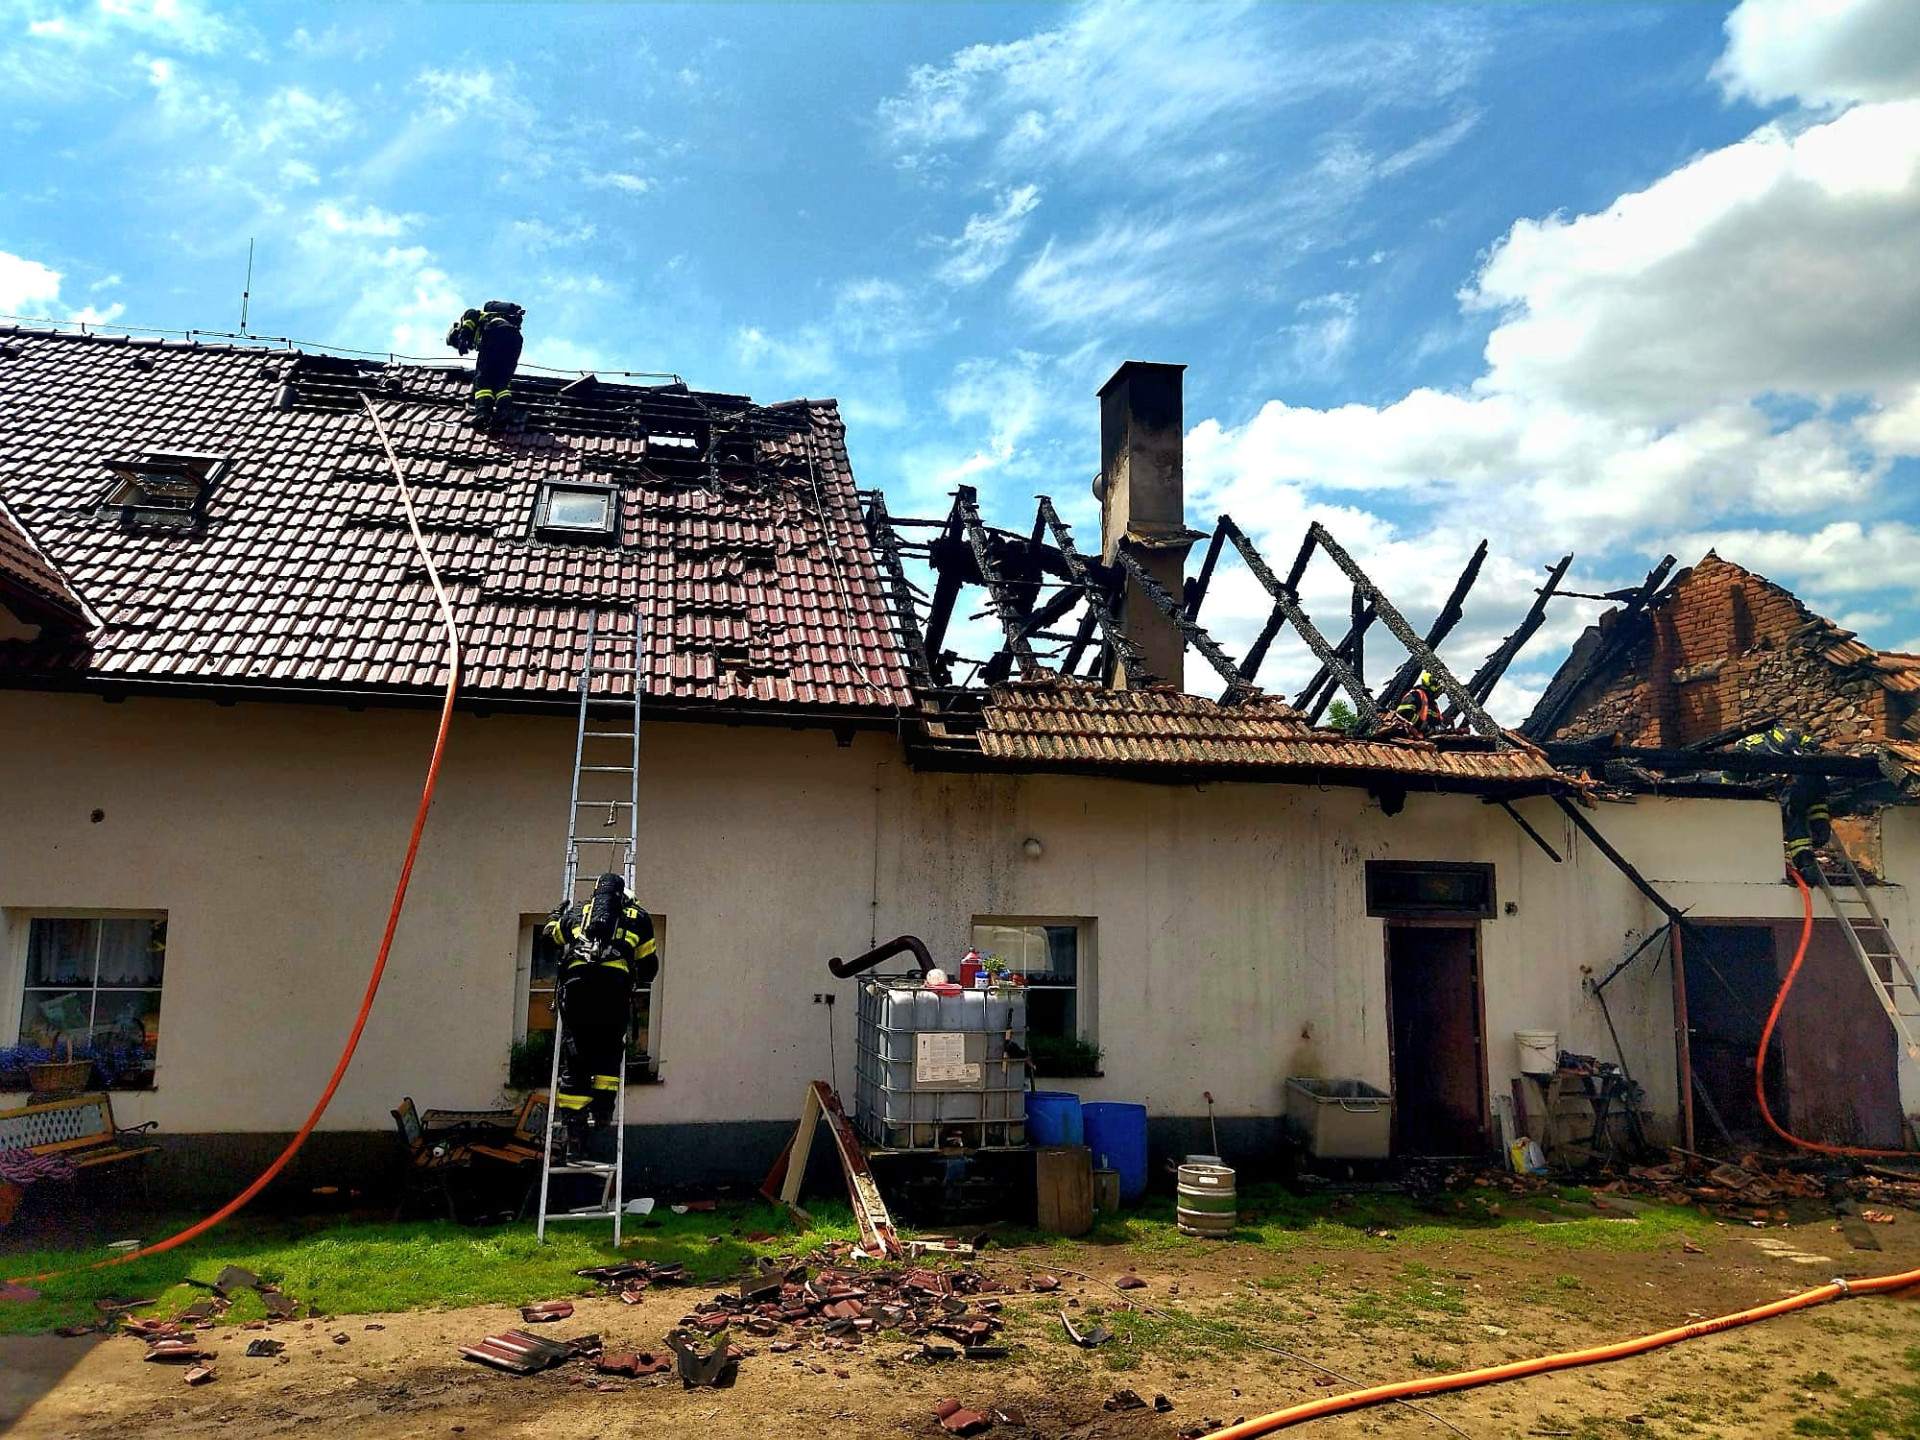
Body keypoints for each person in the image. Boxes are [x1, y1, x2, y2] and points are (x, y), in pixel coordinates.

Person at [542, 873, 656, 1158]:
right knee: (609, 1049)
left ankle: (574, 1133)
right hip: (613, 992)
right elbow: (649, 969)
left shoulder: (579, 912)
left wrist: (556, 915)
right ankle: (603, 1113)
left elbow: (549, 935)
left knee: (575, 1056)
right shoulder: (639, 917)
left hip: (577, 989)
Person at [1732, 725, 1832, 879]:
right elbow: (1811, 743)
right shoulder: (1784, 731)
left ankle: (1806, 863)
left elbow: (1731, 773)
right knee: (1816, 803)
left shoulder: (1743, 746)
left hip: (1790, 783)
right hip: (1814, 777)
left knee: (1793, 817)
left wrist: (1729, 790)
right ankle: (1821, 829)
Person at [444, 300, 526, 427]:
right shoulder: (497, 321)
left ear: (456, 331)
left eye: (456, 342)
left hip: (496, 332)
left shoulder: (469, 316)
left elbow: (471, 316)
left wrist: (463, 337)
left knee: (482, 377)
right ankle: (504, 411)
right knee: (501, 379)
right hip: (515, 339)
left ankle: (483, 413)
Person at [1394, 671, 1438, 736]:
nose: (1440, 691)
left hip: (1424, 738)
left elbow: (1437, 722)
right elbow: (1404, 712)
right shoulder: (1416, 694)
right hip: (1408, 735)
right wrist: (1425, 727)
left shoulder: (1433, 704)